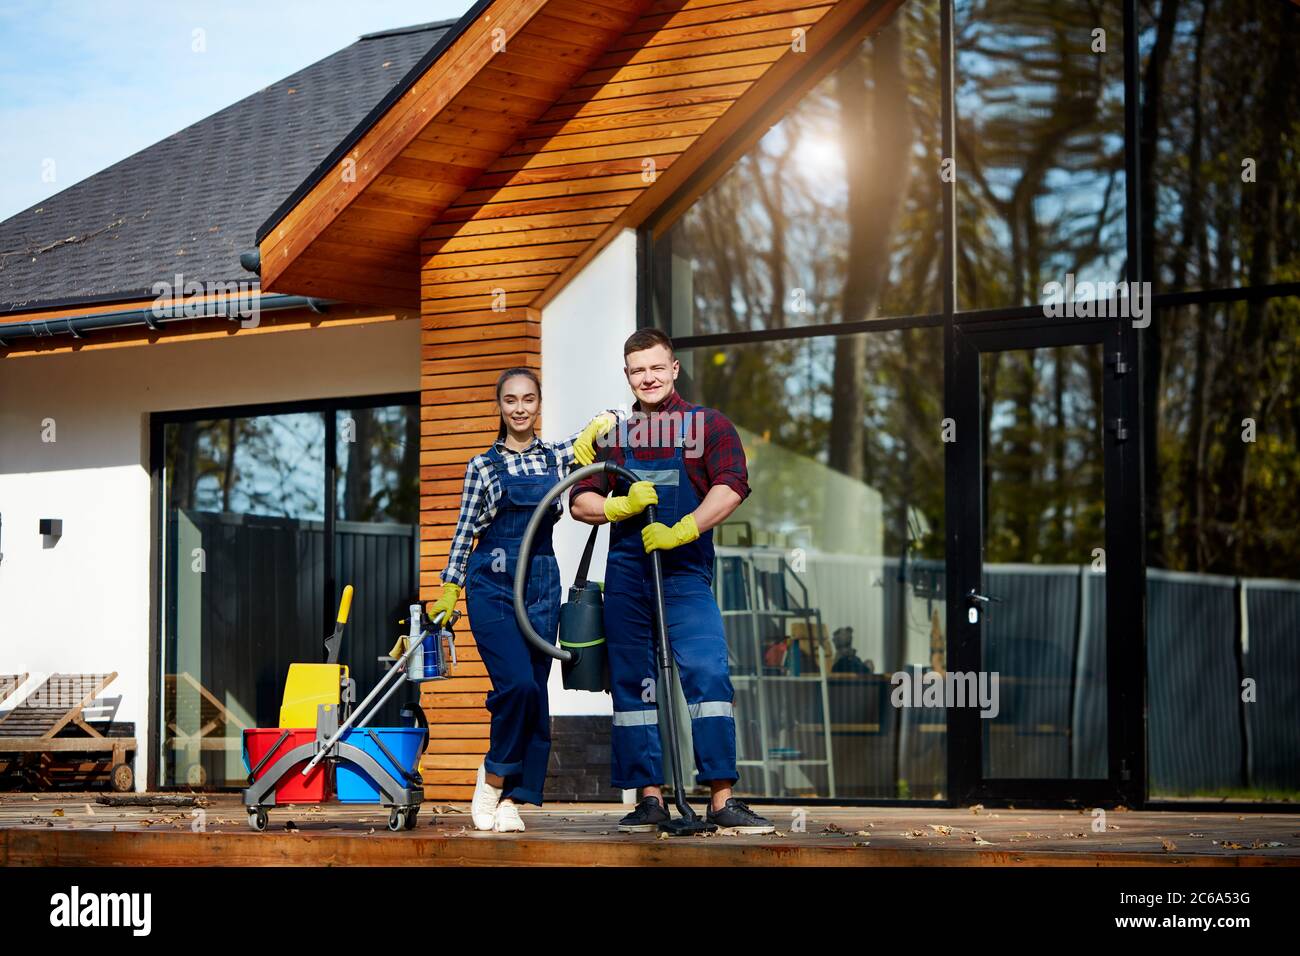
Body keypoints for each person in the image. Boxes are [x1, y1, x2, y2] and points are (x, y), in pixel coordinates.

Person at [570, 329, 775, 834]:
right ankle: (650, 800)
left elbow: (732, 486)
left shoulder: (709, 425)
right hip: (626, 575)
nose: (648, 377)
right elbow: (578, 503)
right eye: (638, 370)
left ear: (674, 368)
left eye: (656, 367)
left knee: (707, 676)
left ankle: (722, 799)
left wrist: (685, 528)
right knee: (633, 685)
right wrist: (617, 504)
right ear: (627, 374)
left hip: (684, 574)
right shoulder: (613, 433)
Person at [402, 367, 618, 832]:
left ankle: (510, 799)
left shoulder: (559, 456)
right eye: (511, 400)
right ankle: (493, 777)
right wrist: (449, 585)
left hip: (541, 586)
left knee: (536, 694)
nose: (520, 408)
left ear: (539, 404)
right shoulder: (483, 465)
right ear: (500, 407)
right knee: (516, 685)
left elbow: (602, 428)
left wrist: (607, 419)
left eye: (528, 399)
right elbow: (465, 530)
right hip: (493, 588)